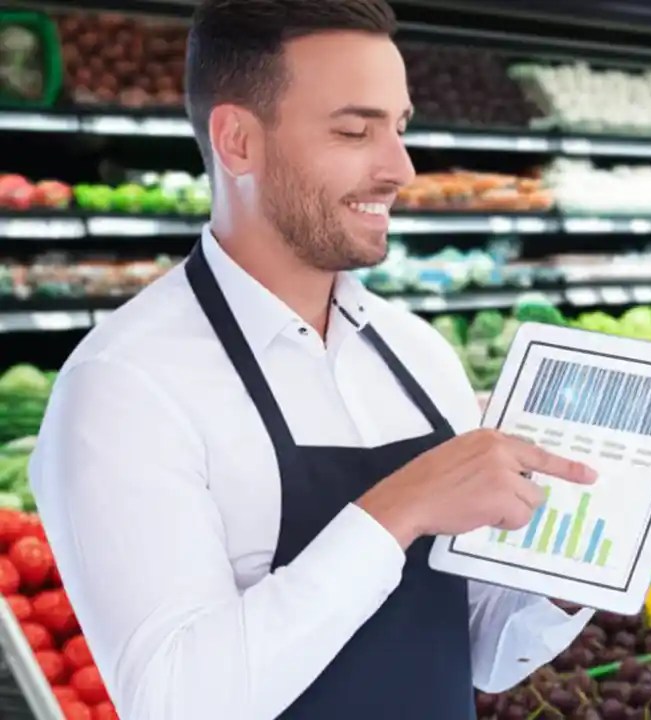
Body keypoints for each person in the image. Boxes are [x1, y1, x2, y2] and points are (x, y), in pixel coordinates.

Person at [28, 1, 599, 718]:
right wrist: (398, 508)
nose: (400, 168)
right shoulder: (124, 386)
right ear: (237, 140)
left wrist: (572, 576)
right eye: (354, 131)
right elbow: (176, 703)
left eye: (400, 129)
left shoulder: (420, 354)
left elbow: (481, 648)